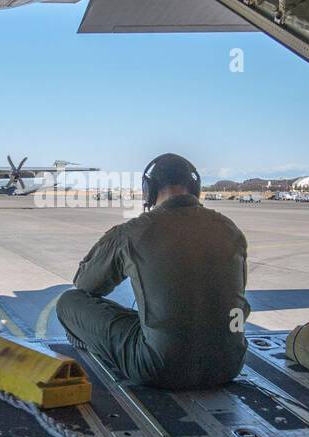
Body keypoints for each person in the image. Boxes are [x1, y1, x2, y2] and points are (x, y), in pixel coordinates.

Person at [56, 153, 250, 389]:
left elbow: (86, 285)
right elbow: (238, 300)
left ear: (148, 189)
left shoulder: (136, 231)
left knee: (69, 301)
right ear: (195, 188)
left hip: (160, 369)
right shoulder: (230, 229)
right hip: (229, 365)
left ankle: (95, 346)